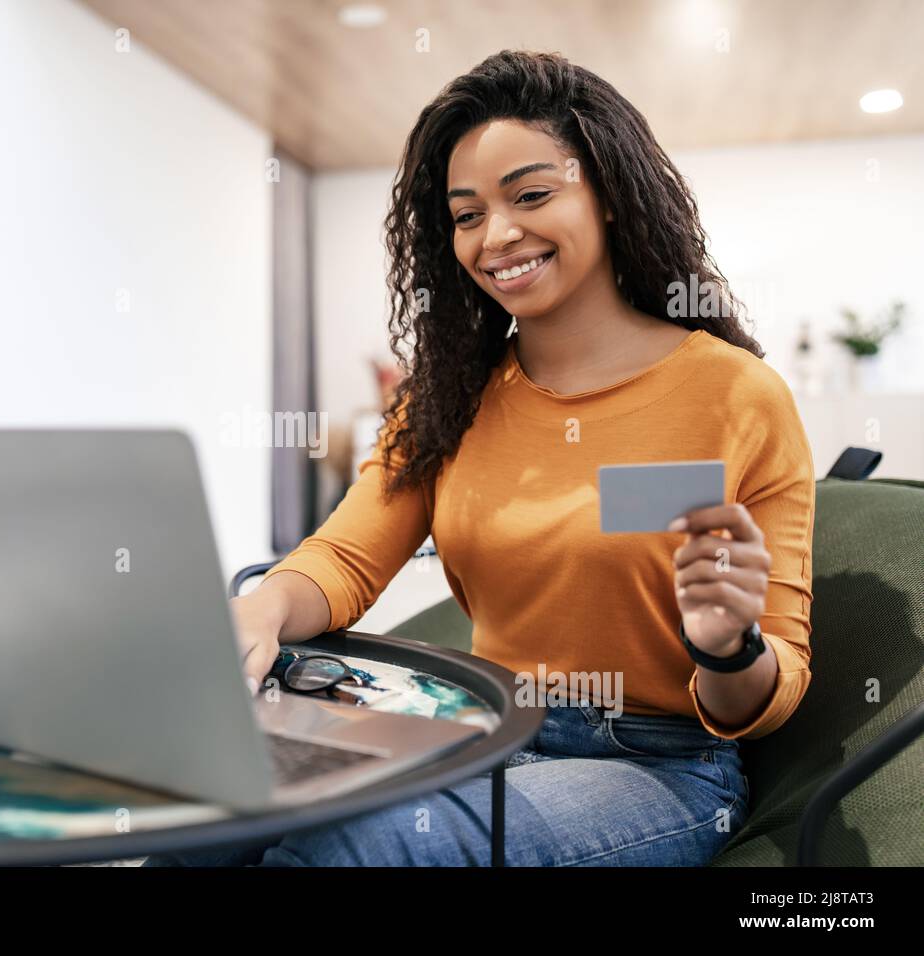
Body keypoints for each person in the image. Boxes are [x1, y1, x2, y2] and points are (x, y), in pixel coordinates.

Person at [143, 50, 814, 867]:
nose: (496, 236)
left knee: (363, 845)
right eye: (466, 215)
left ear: (611, 193)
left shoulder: (735, 395)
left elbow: (773, 689)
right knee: (219, 815)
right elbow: (348, 556)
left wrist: (725, 647)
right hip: (482, 728)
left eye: (531, 195)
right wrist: (265, 609)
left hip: (656, 765)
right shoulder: (449, 395)